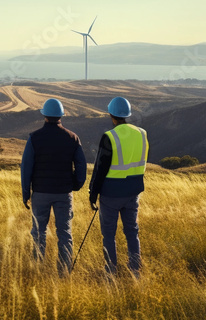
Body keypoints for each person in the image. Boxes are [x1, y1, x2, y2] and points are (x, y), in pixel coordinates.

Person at [20, 98, 87, 275]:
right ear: (61, 116)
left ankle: (37, 269)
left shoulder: (34, 138)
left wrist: (26, 193)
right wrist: (75, 185)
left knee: (38, 232)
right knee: (65, 233)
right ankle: (64, 272)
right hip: (64, 193)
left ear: (44, 116)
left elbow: (26, 168)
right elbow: (81, 166)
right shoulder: (72, 138)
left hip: (40, 192)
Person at [89, 96, 149, 278]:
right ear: (128, 114)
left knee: (109, 235)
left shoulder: (110, 137)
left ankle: (111, 273)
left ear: (111, 115)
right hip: (133, 192)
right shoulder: (142, 133)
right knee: (132, 232)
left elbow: (100, 168)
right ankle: (135, 271)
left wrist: (93, 194)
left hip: (111, 194)